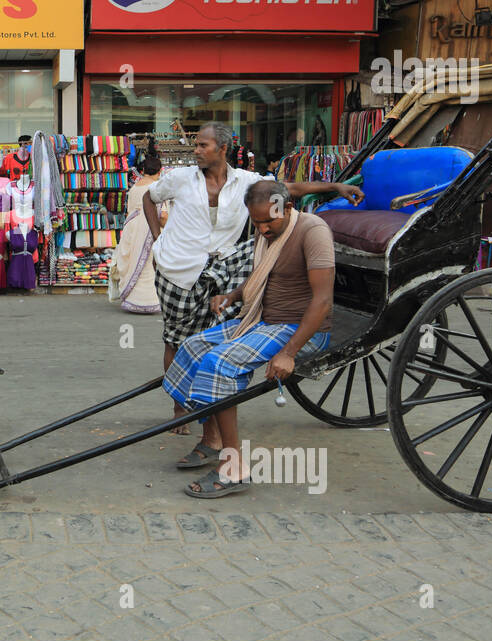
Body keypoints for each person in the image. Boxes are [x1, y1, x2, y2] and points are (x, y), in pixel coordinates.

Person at [142, 122, 361, 440]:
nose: (197, 150)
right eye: (196, 145)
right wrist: (156, 237)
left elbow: (287, 190)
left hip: (220, 274)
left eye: (203, 145)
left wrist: (334, 187)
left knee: (212, 345)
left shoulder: (247, 183)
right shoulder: (179, 179)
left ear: (222, 149)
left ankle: (211, 424)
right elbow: (149, 198)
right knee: (176, 340)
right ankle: (180, 408)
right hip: (176, 270)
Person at [167, 180, 336, 497]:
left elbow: (323, 301)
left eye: (268, 221)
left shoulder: (313, 231)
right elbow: (263, 277)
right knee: (192, 347)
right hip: (261, 318)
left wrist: (289, 353)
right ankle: (213, 438)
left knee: (220, 363)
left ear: (287, 207)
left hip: (298, 329)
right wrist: (232, 295)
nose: (262, 229)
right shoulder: (267, 230)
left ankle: (234, 467)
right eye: (256, 222)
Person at [108, 151, 166, 314]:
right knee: (148, 265)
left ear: (143, 170)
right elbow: (162, 215)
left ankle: (132, 300)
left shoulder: (134, 188)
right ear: (159, 171)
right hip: (148, 228)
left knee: (133, 260)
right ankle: (148, 302)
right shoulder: (155, 188)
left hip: (131, 229)